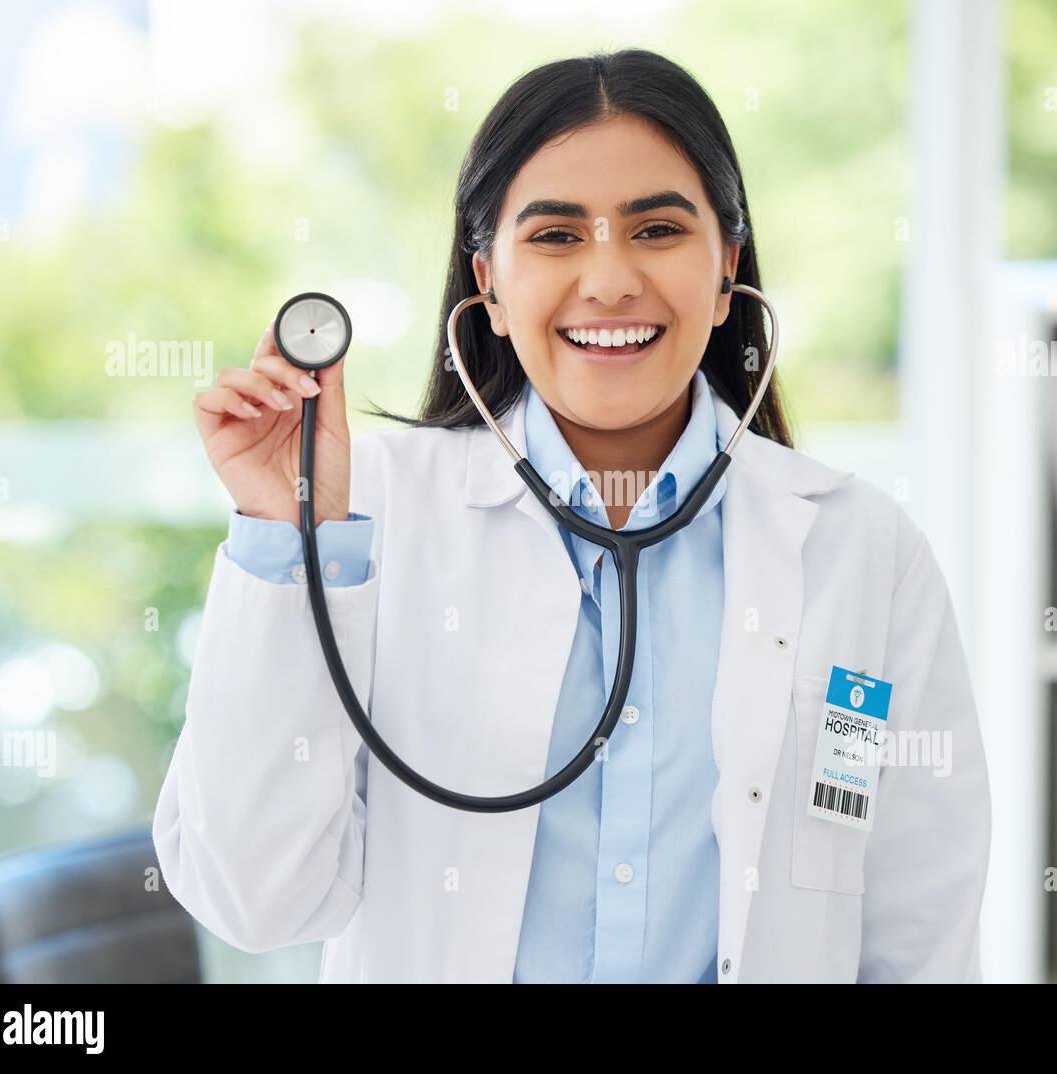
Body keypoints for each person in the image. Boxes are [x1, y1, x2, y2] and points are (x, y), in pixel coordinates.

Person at [153, 48, 991, 984]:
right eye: (555, 237)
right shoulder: (366, 518)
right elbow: (255, 899)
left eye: (659, 230)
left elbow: (922, 938)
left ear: (726, 272)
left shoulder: (859, 552)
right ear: (490, 286)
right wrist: (288, 537)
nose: (609, 280)